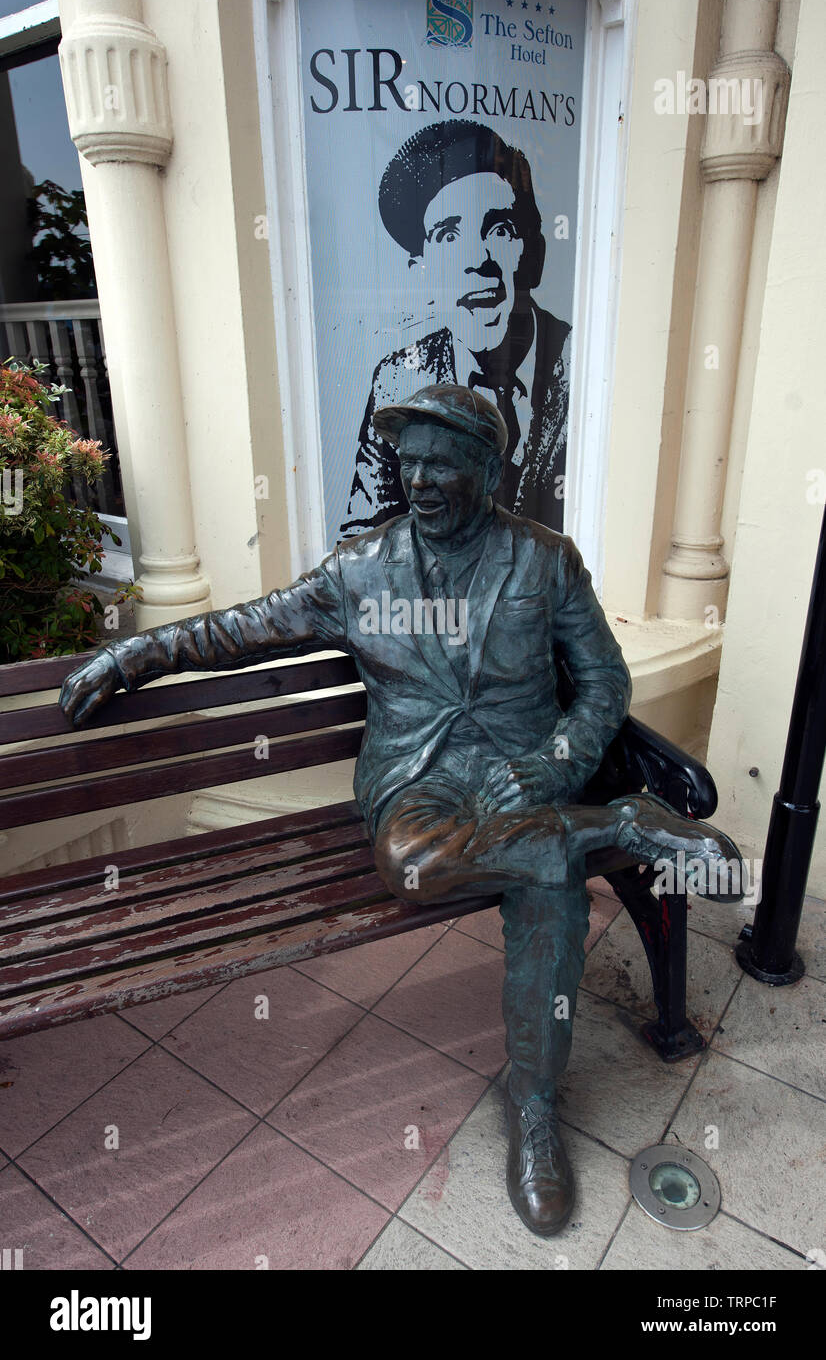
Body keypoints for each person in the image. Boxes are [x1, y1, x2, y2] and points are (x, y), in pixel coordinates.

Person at [60, 384, 740, 1237]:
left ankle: (534, 1112)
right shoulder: (361, 571)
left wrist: (555, 761)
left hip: (523, 780)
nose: (417, 477)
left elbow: (604, 678)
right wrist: (134, 653)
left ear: (488, 469)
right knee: (419, 865)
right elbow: (245, 628)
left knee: (550, 891)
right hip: (417, 786)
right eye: (406, 459)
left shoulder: (543, 560)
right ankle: (629, 827)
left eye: (440, 461)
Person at [339, 120, 570, 539]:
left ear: (531, 250)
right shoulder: (399, 378)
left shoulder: (577, 365)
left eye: (500, 230)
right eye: (448, 235)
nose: (478, 261)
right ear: (421, 272)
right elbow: (363, 535)